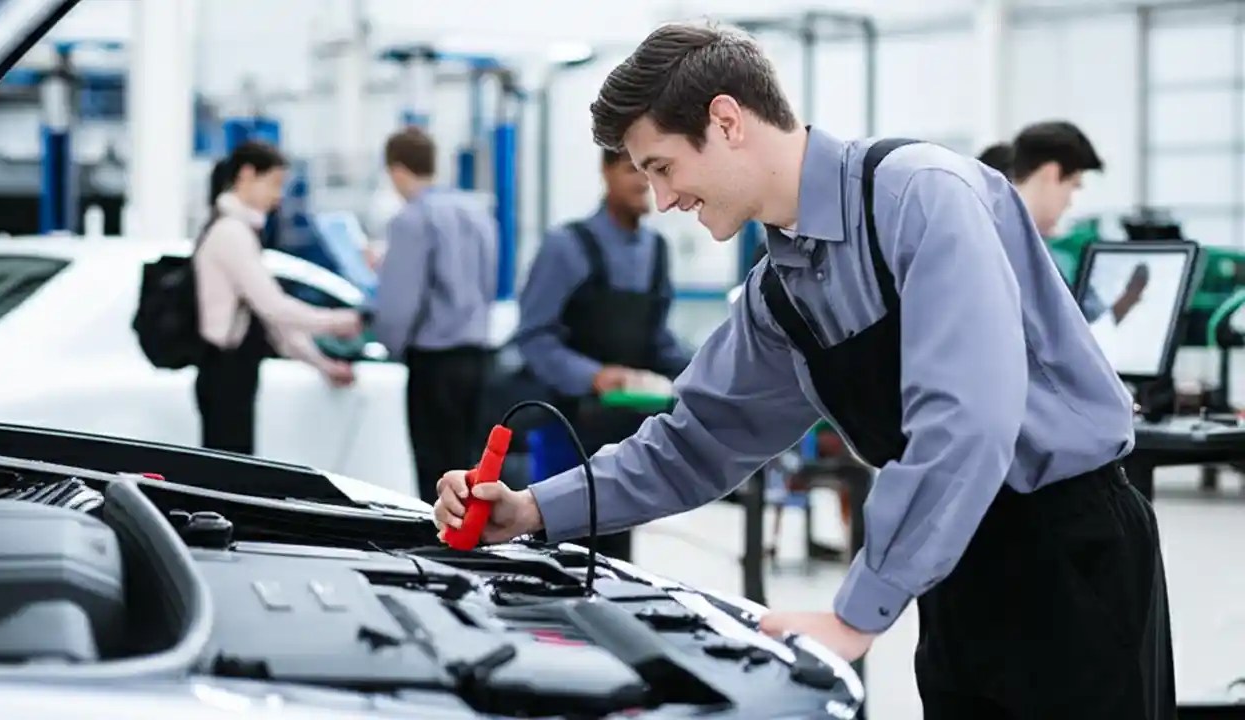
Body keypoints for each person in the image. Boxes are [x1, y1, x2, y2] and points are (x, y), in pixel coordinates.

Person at [432, 22, 1174, 720]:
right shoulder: (779, 292)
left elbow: (968, 421)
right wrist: (532, 510)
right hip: (953, 566)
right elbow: (694, 443)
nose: (662, 199)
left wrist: (854, 615)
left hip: (1070, 556)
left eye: (663, 166)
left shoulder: (920, 197)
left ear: (726, 121)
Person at [513, 147, 693, 561]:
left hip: (625, 433)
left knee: (614, 560)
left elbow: (658, 341)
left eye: (656, 169)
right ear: (606, 171)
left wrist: (703, 372)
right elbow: (534, 336)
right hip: (565, 426)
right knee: (556, 550)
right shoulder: (566, 246)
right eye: (633, 169)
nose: (643, 182)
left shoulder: (656, 251)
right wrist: (593, 376)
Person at [193, 141, 363, 455]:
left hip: (233, 371)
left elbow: (272, 324)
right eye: (274, 184)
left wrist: (322, 364)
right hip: (224, 371)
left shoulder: (238, 229)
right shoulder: (231, 232)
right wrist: (339, 322)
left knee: (234, 470)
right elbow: (273, 307)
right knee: (229, 475)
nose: (278, 196)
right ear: (246, 176)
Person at [368, 126, 498, 502]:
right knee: (472, 470)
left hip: (434, 363)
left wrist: (387, 344)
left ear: (395, 170)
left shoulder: (411, 220)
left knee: (437, 477)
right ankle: (472, 549)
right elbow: (489, 283)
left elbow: (401, 303)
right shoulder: (477, 215)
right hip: (477, 357)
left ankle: (442, 551)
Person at [978, 124, 1149, 325]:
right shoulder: (1010, 250)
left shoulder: (1006, 239)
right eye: (1073, 186)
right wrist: (1131, 296)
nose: (1069, 202)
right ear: (1051, 174)